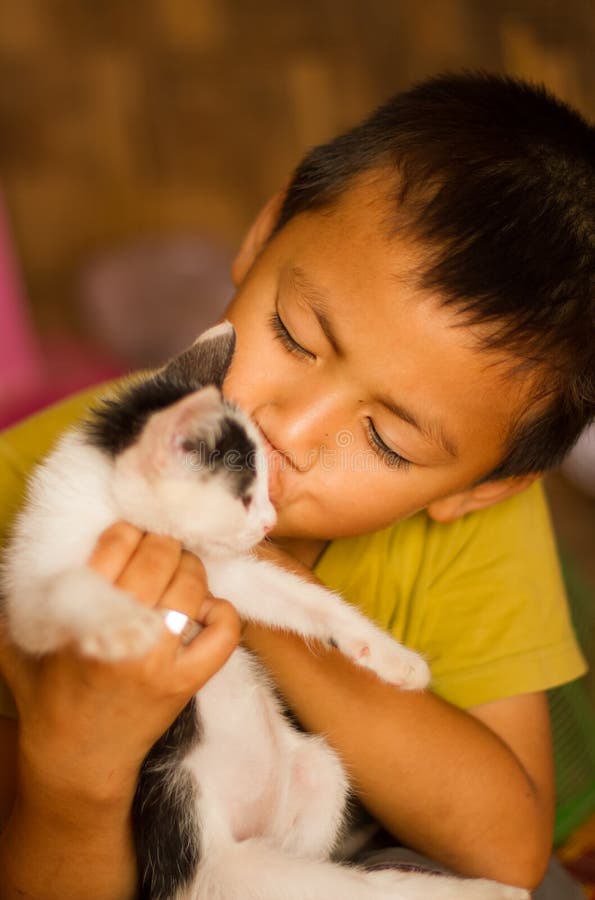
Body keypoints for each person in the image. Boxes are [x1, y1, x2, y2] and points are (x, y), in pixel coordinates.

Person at [0, 72, 593, 899]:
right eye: (292, 333)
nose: (291, 427)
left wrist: (242, 577)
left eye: (385, 439)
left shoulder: (478, 523)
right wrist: (72, 771)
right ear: (262, 232)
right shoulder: (32, 490)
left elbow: (504, 851)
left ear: (477, 488)